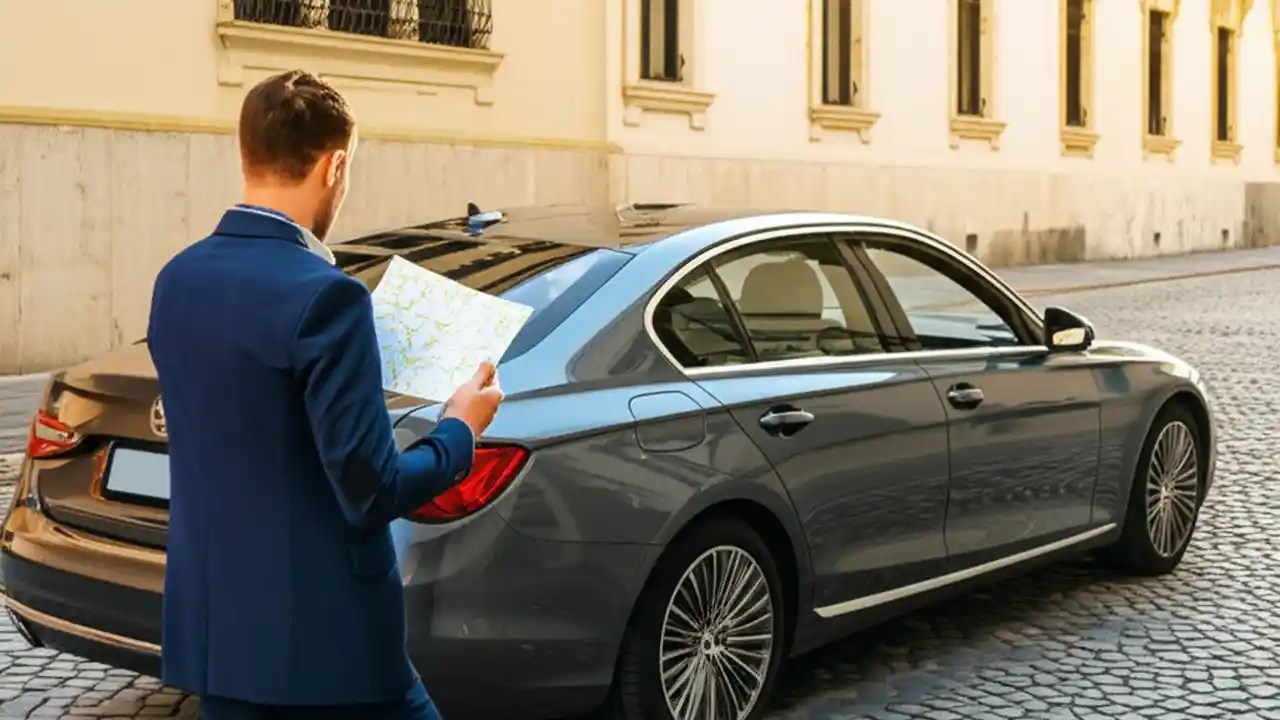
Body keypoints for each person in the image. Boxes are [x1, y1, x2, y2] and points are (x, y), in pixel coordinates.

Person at [146, 69, 502, 719]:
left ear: (245, 152)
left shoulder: (176, 280)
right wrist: (460, 429)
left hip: (219, 638)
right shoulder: (329, 297)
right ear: (336, 166)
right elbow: (373, 490)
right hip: (330, 650)